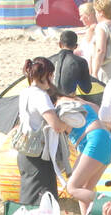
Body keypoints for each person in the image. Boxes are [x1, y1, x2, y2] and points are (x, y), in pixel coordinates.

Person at [15, 56, 71, 206]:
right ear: (46, 75)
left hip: (24, 150)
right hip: (38, 154)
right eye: (51, 75)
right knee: (43, 198)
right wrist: (67, 124)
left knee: (28, 195)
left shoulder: (25, 92)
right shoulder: (41, 96)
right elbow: (56, 125)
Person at [87, 0, 111, 83]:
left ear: (101, 13)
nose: (96, 15)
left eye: (96, 12)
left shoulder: (101, 27)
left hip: (107, 68)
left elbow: (100, 50)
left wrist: (95, 72)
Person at [49, 30, 92, 99]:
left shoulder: (49, 60)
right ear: (76, 46)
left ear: (60, 44)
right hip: (68, 100)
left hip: (51, 100)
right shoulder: (80, 62)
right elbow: (86, 89)